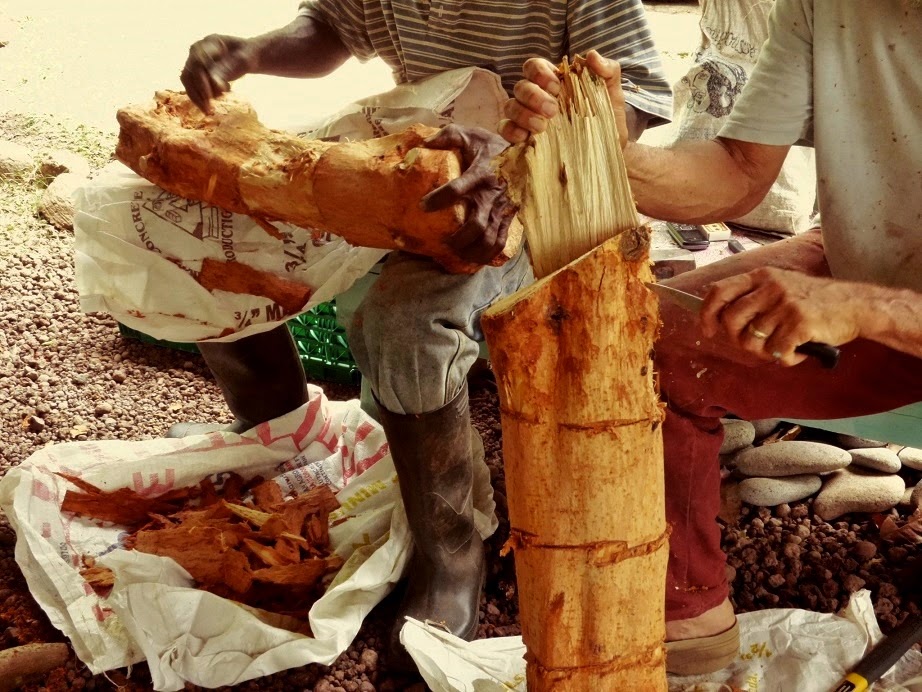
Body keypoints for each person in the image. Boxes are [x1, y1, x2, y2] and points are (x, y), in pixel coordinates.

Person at [173, 0, 672, 667]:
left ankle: (454, 546)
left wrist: (536, 142)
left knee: (405, 323)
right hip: (430, 171)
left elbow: (636, 98)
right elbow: (333, 26)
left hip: (544, 197)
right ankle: (284, 442)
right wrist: (250, 51)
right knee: (202, 227)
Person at [501, 0, 922, 676]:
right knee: (646, 341)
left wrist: (866, 308)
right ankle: (685, 614)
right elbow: (737, 168)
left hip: (894, 308)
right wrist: (616, 155)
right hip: (865, 268)